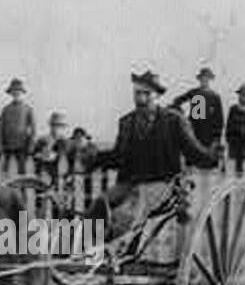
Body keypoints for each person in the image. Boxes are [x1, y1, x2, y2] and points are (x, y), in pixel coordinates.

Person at [88, 69, 220, 230]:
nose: (140, 98)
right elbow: (118, 156)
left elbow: (194, 152)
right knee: (101, 202)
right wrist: (94, 158)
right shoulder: (126, 122)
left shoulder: (174, 121)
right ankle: (77, 243)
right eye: (137, 93)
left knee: (135, 202)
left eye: (146, 94)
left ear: (157, 95)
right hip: (131, 182)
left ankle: (110, 244)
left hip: (164, 184)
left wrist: (214, 156)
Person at [171, 65, 225, 152]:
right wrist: (181, 115)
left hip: (208, 130)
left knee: (207, 155)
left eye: (207, 78)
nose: (204, 80)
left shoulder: (215, 96)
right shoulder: (193, 92)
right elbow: (177, 100)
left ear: (210, 80)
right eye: (203, 78)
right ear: (199, 79)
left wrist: (216, 137)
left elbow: (219, 118)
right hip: (194, 129)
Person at [0, 78, 36, 175]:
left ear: (22, 93)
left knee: (22, 170)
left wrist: (31, 145)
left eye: (18, 91)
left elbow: (33, 129)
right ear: (10, 93)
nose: (16, 93)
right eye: (13, 91)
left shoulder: (28, 109)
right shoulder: (6, 109)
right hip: (7, 144)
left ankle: (22, 190)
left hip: (22, 144)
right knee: (5, 171)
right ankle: (4, 189)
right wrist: (0, 145)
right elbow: (0, 129)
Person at [32, 111, 72, 185]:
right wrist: (42, 156)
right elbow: (35, 156)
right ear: (50, 126)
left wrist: (68, 176)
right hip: (44, 176)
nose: (56, 128)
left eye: (60, 126)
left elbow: (70, 161)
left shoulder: (66, 143)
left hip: (61, 179)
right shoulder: (42, 141)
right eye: (54, 125)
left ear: (64, 127)